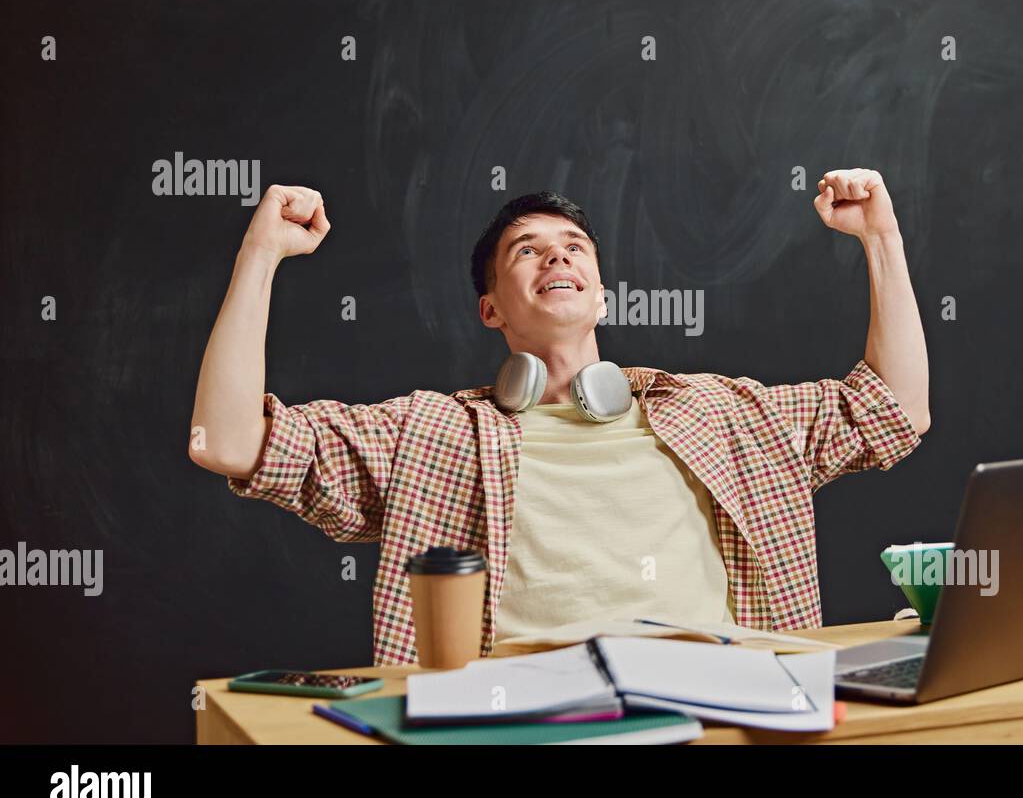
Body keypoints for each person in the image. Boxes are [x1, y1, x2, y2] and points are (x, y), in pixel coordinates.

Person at [187, 170, 931, 664]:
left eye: (573, 247)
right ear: (490, 310)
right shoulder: (433, 434)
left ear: (601, 296)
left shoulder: (719, 410)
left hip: (722, 700)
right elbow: (227, 441)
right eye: (527, 251)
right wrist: (262, 252)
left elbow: (895, 410)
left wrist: (882, 238)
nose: (556, 258)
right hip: (524, 719)